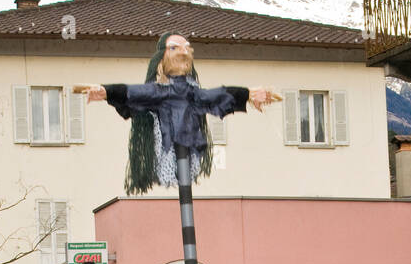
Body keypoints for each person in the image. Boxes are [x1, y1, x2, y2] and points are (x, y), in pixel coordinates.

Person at [81, 34, 280, 194]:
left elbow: (217, 95)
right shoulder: (158, 92)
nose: (183, 51)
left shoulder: (192, 92)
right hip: (170, 145)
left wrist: (248, 94)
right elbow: (133, 93)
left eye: (186, 47)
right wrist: (107, 91)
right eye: (175, 47)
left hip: (188, 147)